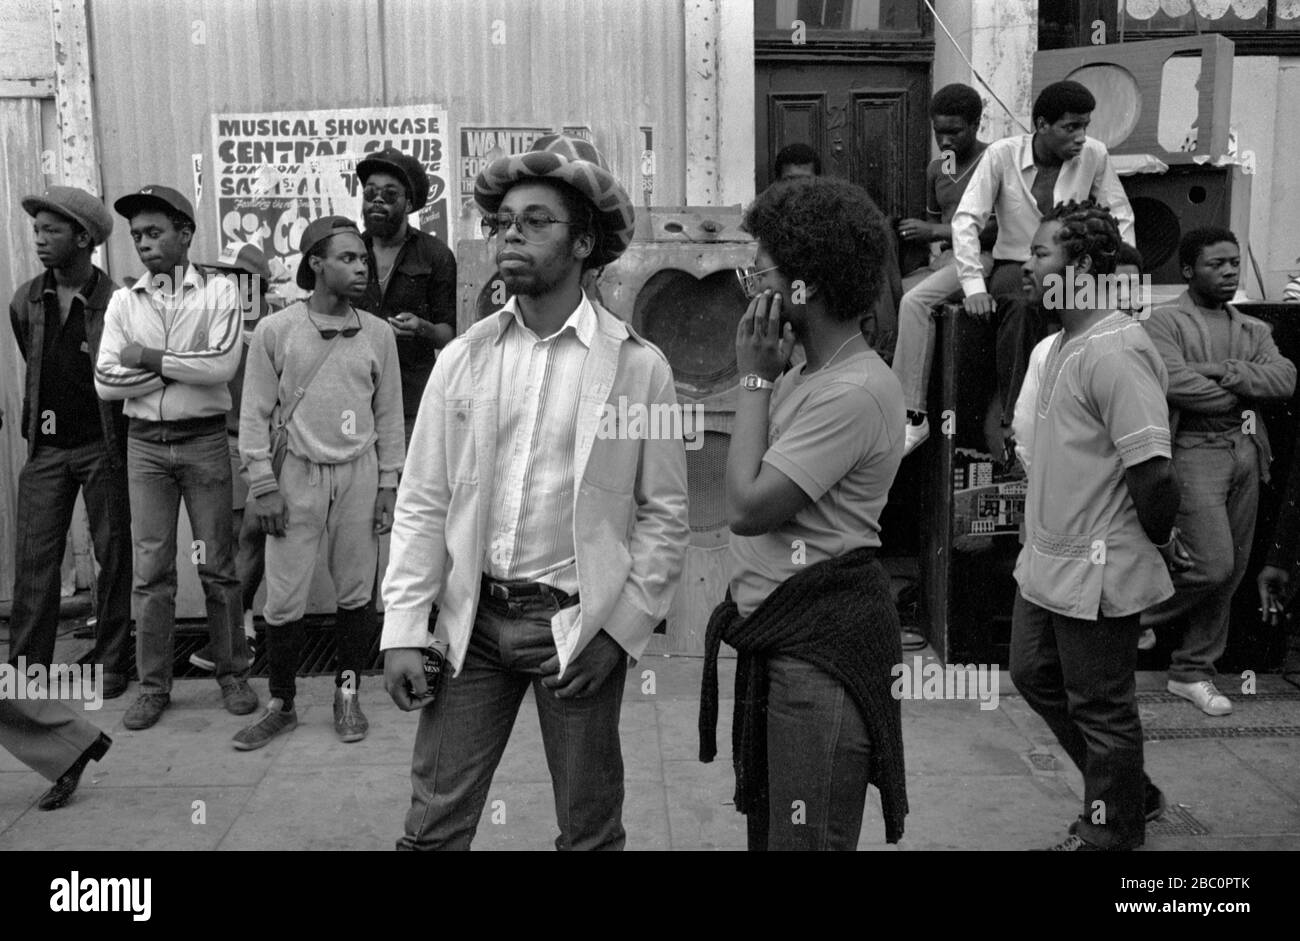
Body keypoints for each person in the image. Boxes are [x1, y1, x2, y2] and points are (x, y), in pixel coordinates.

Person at [380, 135, 690, 850]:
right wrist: (402, 625)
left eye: (536, 219)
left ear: (584, 243)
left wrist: (619, 632)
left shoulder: (641, 371)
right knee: (432, 825)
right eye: (502, 220)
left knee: (590, 831)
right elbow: (424, 497)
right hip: (473, 627)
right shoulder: (464, 359)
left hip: (574, 631)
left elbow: (666, 514)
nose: (510, 232)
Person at [699, 176, 908, 851]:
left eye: (759, 270)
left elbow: (746, 505)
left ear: (804, 286)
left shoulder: (850, 390)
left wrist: (752, 377)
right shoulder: (805, 375)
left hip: (819, 660)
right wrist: (768, 376)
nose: (749, 285)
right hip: (787, 647)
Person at [1010, 199, 1183, 851]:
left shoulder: (1115, 346)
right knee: (1031, 672)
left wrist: (1157, 541)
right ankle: (1128, 790)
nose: (1027, 265)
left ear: (1078, 265)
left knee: (1102, 709)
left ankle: (1110, 830)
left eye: (1039, 254)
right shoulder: (1061, 342)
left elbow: (1155, 473)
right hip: (1047, 560)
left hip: (1099, 568)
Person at [233, 216, 405, 749]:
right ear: (315, 264)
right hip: (296, 476)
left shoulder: (377, 333)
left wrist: (388, 486)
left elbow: (391, 415)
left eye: (363, 259)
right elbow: (254, 414)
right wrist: (263, 485)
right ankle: (281, 703)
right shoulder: (276, 330)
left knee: (357, 594)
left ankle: (347, 694)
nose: (361, 267)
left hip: (360, 474)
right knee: (283, 599)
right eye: (348, 258)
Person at [94, 184, 258, 730]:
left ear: (184, 234)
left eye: (155, 232)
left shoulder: (218, 295)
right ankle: (154, 687)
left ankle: (232, 674)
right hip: (144, 446)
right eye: (137, 235)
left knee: (218, 565)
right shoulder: (124, 301)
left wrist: (142, 358)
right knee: (151, 572)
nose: (143, 243)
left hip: (204, 439)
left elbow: (220, 368)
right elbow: (105, 381)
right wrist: (169, 362)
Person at [1141, 227, 1296, 716]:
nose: (1230, 271)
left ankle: (1193, 671)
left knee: (1232, 573)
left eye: (1234, 263)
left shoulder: (1255, 329)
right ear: (1188, 270)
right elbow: (1174, 382)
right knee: (1212, 564)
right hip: (1192, 450)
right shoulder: (1162, 322)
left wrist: (1218, 370)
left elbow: (1285, 379)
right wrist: (1238, 386)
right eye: (1217, 264)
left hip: (1247, 450)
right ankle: (1123, 622)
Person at [952, 80, 1135, 439]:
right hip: (1016, 264)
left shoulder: (1094, 154)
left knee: (1116, 311)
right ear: (1041, 125)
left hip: (1071, 268)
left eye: (1085, 126)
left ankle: (1096, 416)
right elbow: (966, 219)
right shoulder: (1002, 155)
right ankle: (1016, 422)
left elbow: (1120, 214)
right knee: (1022, 307)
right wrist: (973, 287)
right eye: (1070, 127)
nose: (1081, 136)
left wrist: (1122, 273)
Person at [7, 186, 132, 700]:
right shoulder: (26, 299)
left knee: (114, 558)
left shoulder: (117, 301)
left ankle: (111, 667)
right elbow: (33, 358)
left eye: (51, 230)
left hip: (105, 447)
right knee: (35, 563)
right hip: (47, 449)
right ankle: (24, 676)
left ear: (84, 238)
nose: (39, 240)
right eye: (37, 230)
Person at [891, 84, 997, 454]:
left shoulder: (994, 160)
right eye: (940, 132)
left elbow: (999, 227)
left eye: (955, 131)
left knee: (915, 303)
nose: (946, 140)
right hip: (947, 259)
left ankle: (913, 416)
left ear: (977, 123)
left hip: (981, 259)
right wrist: (924, 237)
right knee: (890, 296)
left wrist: (934, 231)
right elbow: (937, 224)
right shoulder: (938, 168)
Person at [189, 242, 271, 672]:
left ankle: (241, 631)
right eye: (228, 278)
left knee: (254, 534)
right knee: (232, 537)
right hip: (222, 438)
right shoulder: (213, 321)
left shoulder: (276, 323)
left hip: (269, 445)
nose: (234, 285)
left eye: (242, 279)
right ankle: (240, 630)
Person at [355, 147, 457, 444]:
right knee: (357, 484)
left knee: (407, 484)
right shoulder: (350, 253)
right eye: (370, 192)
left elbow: (450, 335)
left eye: (389, 195)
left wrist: (421, 328)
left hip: (411, 404)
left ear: (409, 203)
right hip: (356, 398)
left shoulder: (435, 255)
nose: (376, 200)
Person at [769, 143, 903, 360]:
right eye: (789, 182)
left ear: (818, 183)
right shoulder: (771, 222)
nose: (797, 189)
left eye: (806, 181)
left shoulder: (834, 217)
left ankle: (883, 345)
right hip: (797, 315)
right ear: (777, 184)